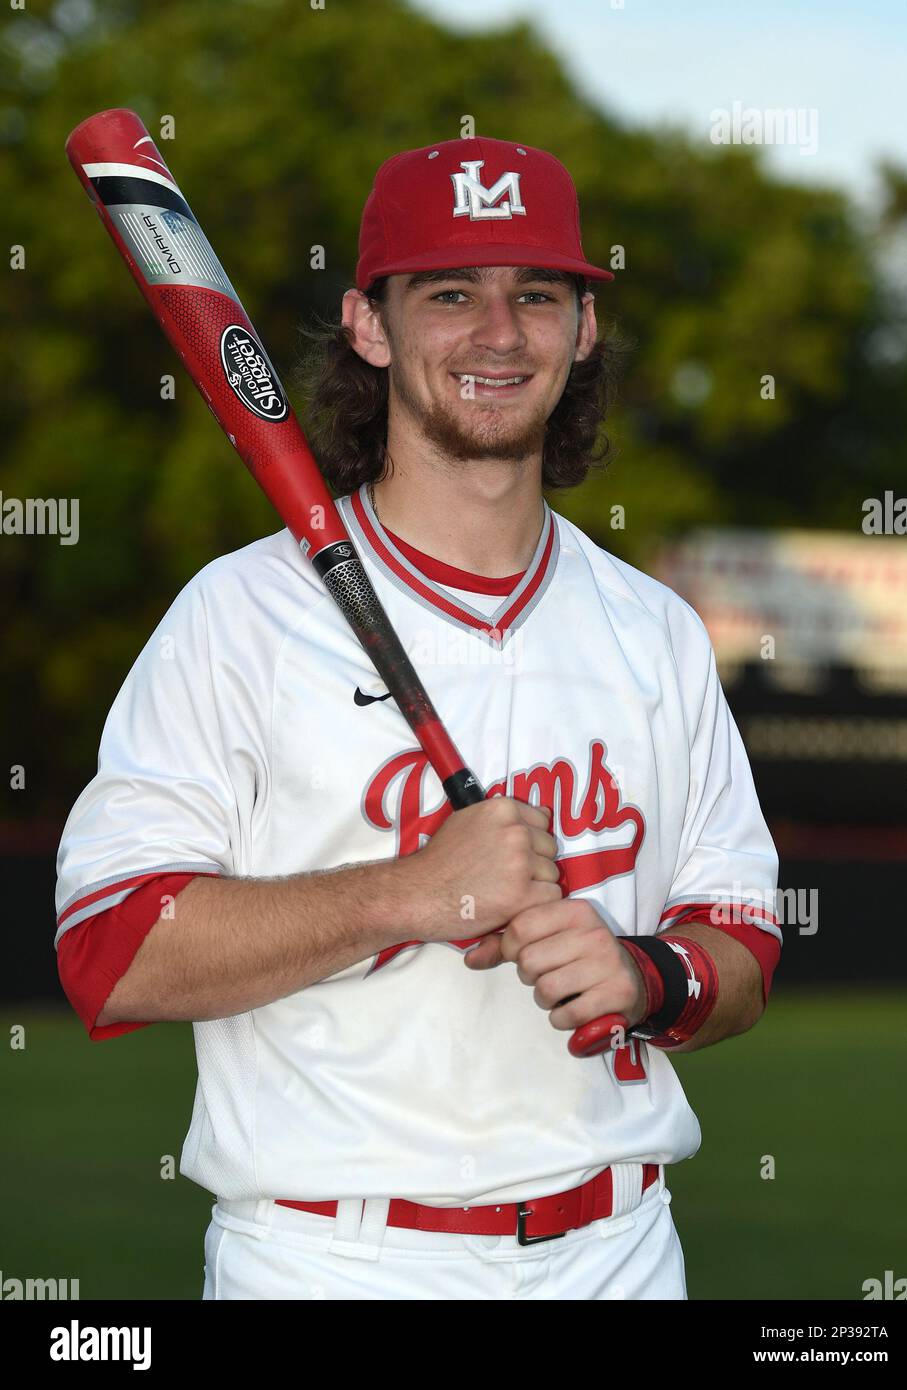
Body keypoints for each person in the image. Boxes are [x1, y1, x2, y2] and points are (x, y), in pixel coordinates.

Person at [55, 136, 780, 1301]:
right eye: (449, 294)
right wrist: (418, 892)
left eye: (535, 295)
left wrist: (650, 976)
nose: (499, 335)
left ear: (581, 329)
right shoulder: (240, 616)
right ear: (370, 325)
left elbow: (739, 935)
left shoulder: (652, 628)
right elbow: (108, 948)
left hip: (623, 1252)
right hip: (333, 1257)